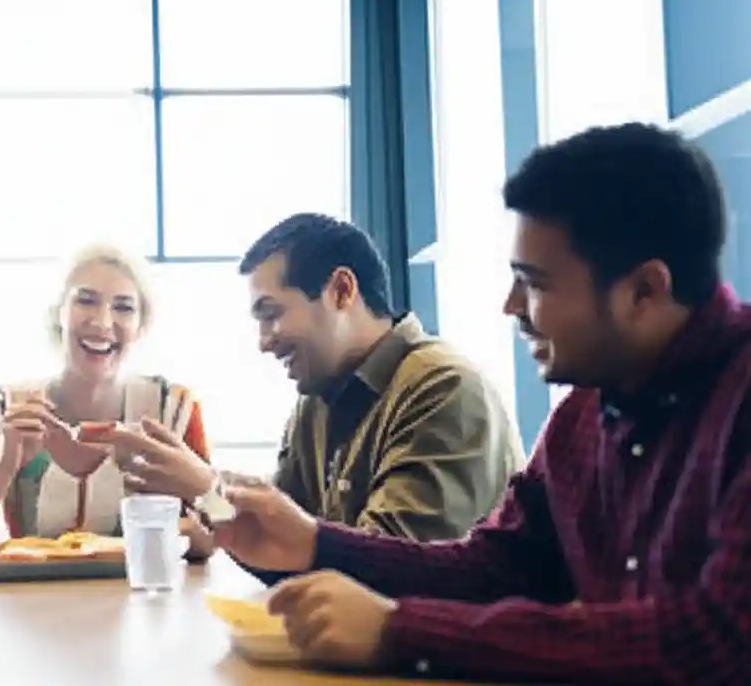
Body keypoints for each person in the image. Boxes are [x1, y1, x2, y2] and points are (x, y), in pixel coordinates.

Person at [207, 124, 751, 684]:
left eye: (534, 284)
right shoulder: (580, 418)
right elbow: (497, 566)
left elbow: (717, 638)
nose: (511, 307)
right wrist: (316, 543)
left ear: (645, 291)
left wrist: (400, 631)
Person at [103, 214, 523, 544]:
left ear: (341, 290)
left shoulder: (444, 389)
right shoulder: (319, 399)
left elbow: (388, 567)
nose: (264, 343)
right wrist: (197, 493)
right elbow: (279, 539)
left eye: (272, 314)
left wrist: (205, 488)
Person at [0, 244, 214, 559]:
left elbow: (225, 526)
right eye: (86, 301)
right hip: (29, 605)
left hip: (147, 602)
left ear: (141, 326)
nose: (103, 322)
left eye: (124, 308)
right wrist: (4, 468)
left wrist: (203, 500)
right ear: (58, 312)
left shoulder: (172, 409)